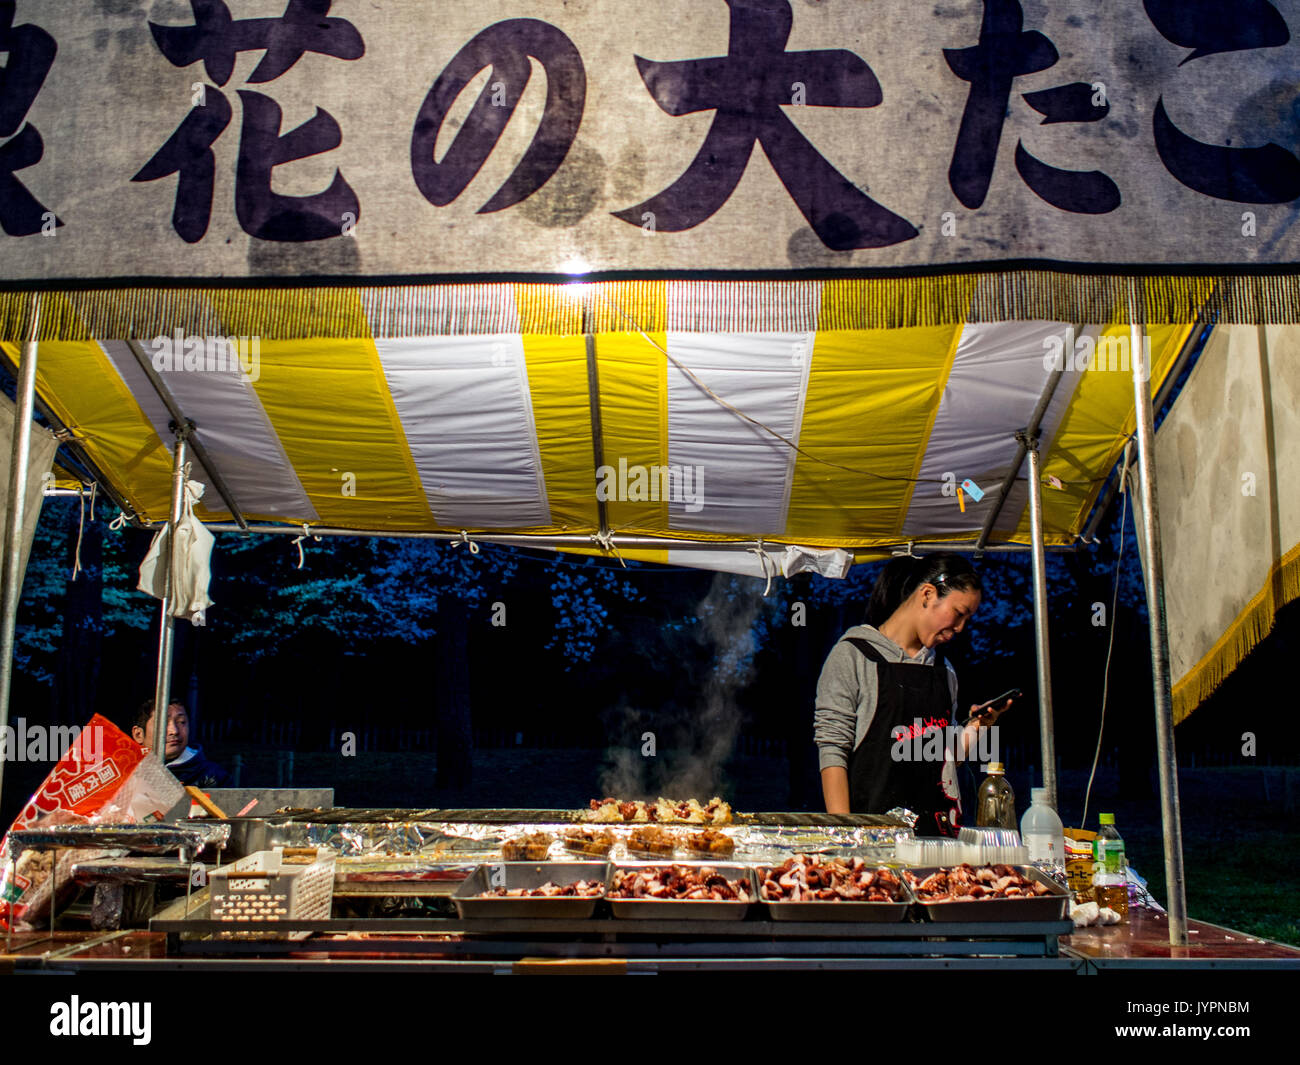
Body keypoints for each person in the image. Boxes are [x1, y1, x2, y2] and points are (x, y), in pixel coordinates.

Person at [814, 552, 1013, 836]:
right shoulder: (854, 655)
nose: (960, 628)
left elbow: (944, 758)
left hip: (936, 841)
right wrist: (847, 833)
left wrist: (978, 727)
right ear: (927, 594)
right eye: (958, 613)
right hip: (870, 840)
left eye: (967, 619)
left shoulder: (945, 671)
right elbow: (832, 749)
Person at [131, 698, 231, 788]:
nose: (174, 731)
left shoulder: (213, 776)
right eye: (163, 723)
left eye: (182, 722)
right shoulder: (126, 774)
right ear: (138, 734)